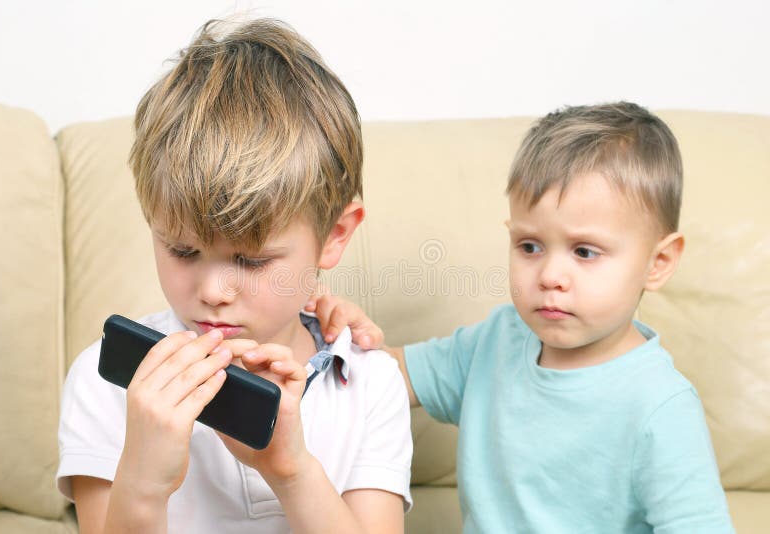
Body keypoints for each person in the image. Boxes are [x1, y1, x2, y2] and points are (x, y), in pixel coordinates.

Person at [308, 102, 735, 532]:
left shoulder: (661, 406)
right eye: (530, 246)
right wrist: (338, 336)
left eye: (584, 252)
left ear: (658, 261)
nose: (550, 276)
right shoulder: (498, 339)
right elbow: (381, 377)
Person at [56, 18, 412, 534]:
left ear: (335, 235)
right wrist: (142, 483)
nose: (211, 293)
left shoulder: (369, 384)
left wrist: (291, 472)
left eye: (250, 260)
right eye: (182, 250)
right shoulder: (105, 383)